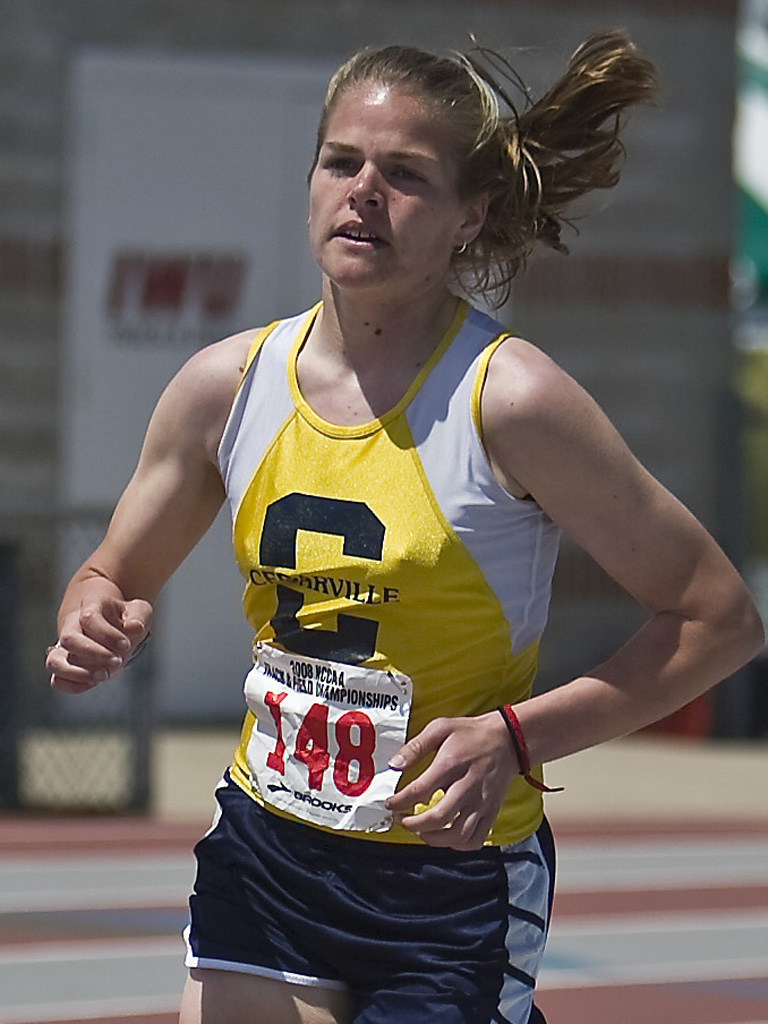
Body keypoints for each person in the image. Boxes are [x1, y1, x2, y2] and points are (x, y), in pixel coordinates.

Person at [46, 30, 763, 1024]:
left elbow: (717, 617)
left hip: (445, 878)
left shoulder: (511, 401)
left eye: (406, 174)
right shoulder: (224, 386)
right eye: (341, 162)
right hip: (269, 849)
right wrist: (90, 615)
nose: (365, 193)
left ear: (470, 216)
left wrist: (518, 738)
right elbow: (112, 573)